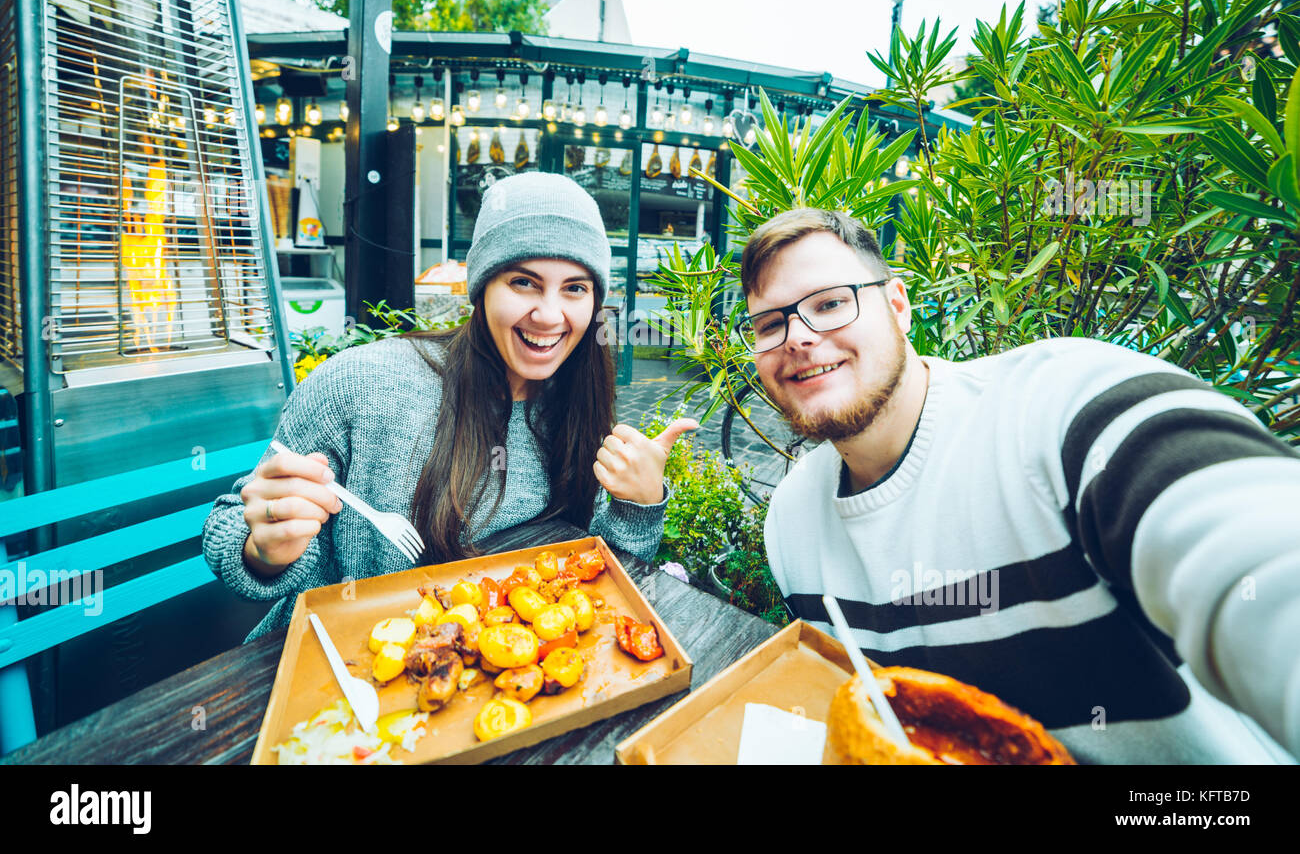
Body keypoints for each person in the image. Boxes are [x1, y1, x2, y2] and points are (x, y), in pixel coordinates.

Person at [740, 207, 1300, 764]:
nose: (799, 338)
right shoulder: (792, 527)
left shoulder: (1064, 409)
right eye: (770, 324)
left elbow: (1258, 561)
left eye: (831, 303)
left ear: (897, 306)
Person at [201, 173, 697, 642]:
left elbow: (586, 590)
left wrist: (639, 505)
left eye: (575, 288)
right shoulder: (363, 382)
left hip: (485, 684)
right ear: (482, 289)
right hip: (329, 667)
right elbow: (227, 530)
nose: (549, 315)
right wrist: (265, 547)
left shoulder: (576, 403)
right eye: (523, 282)